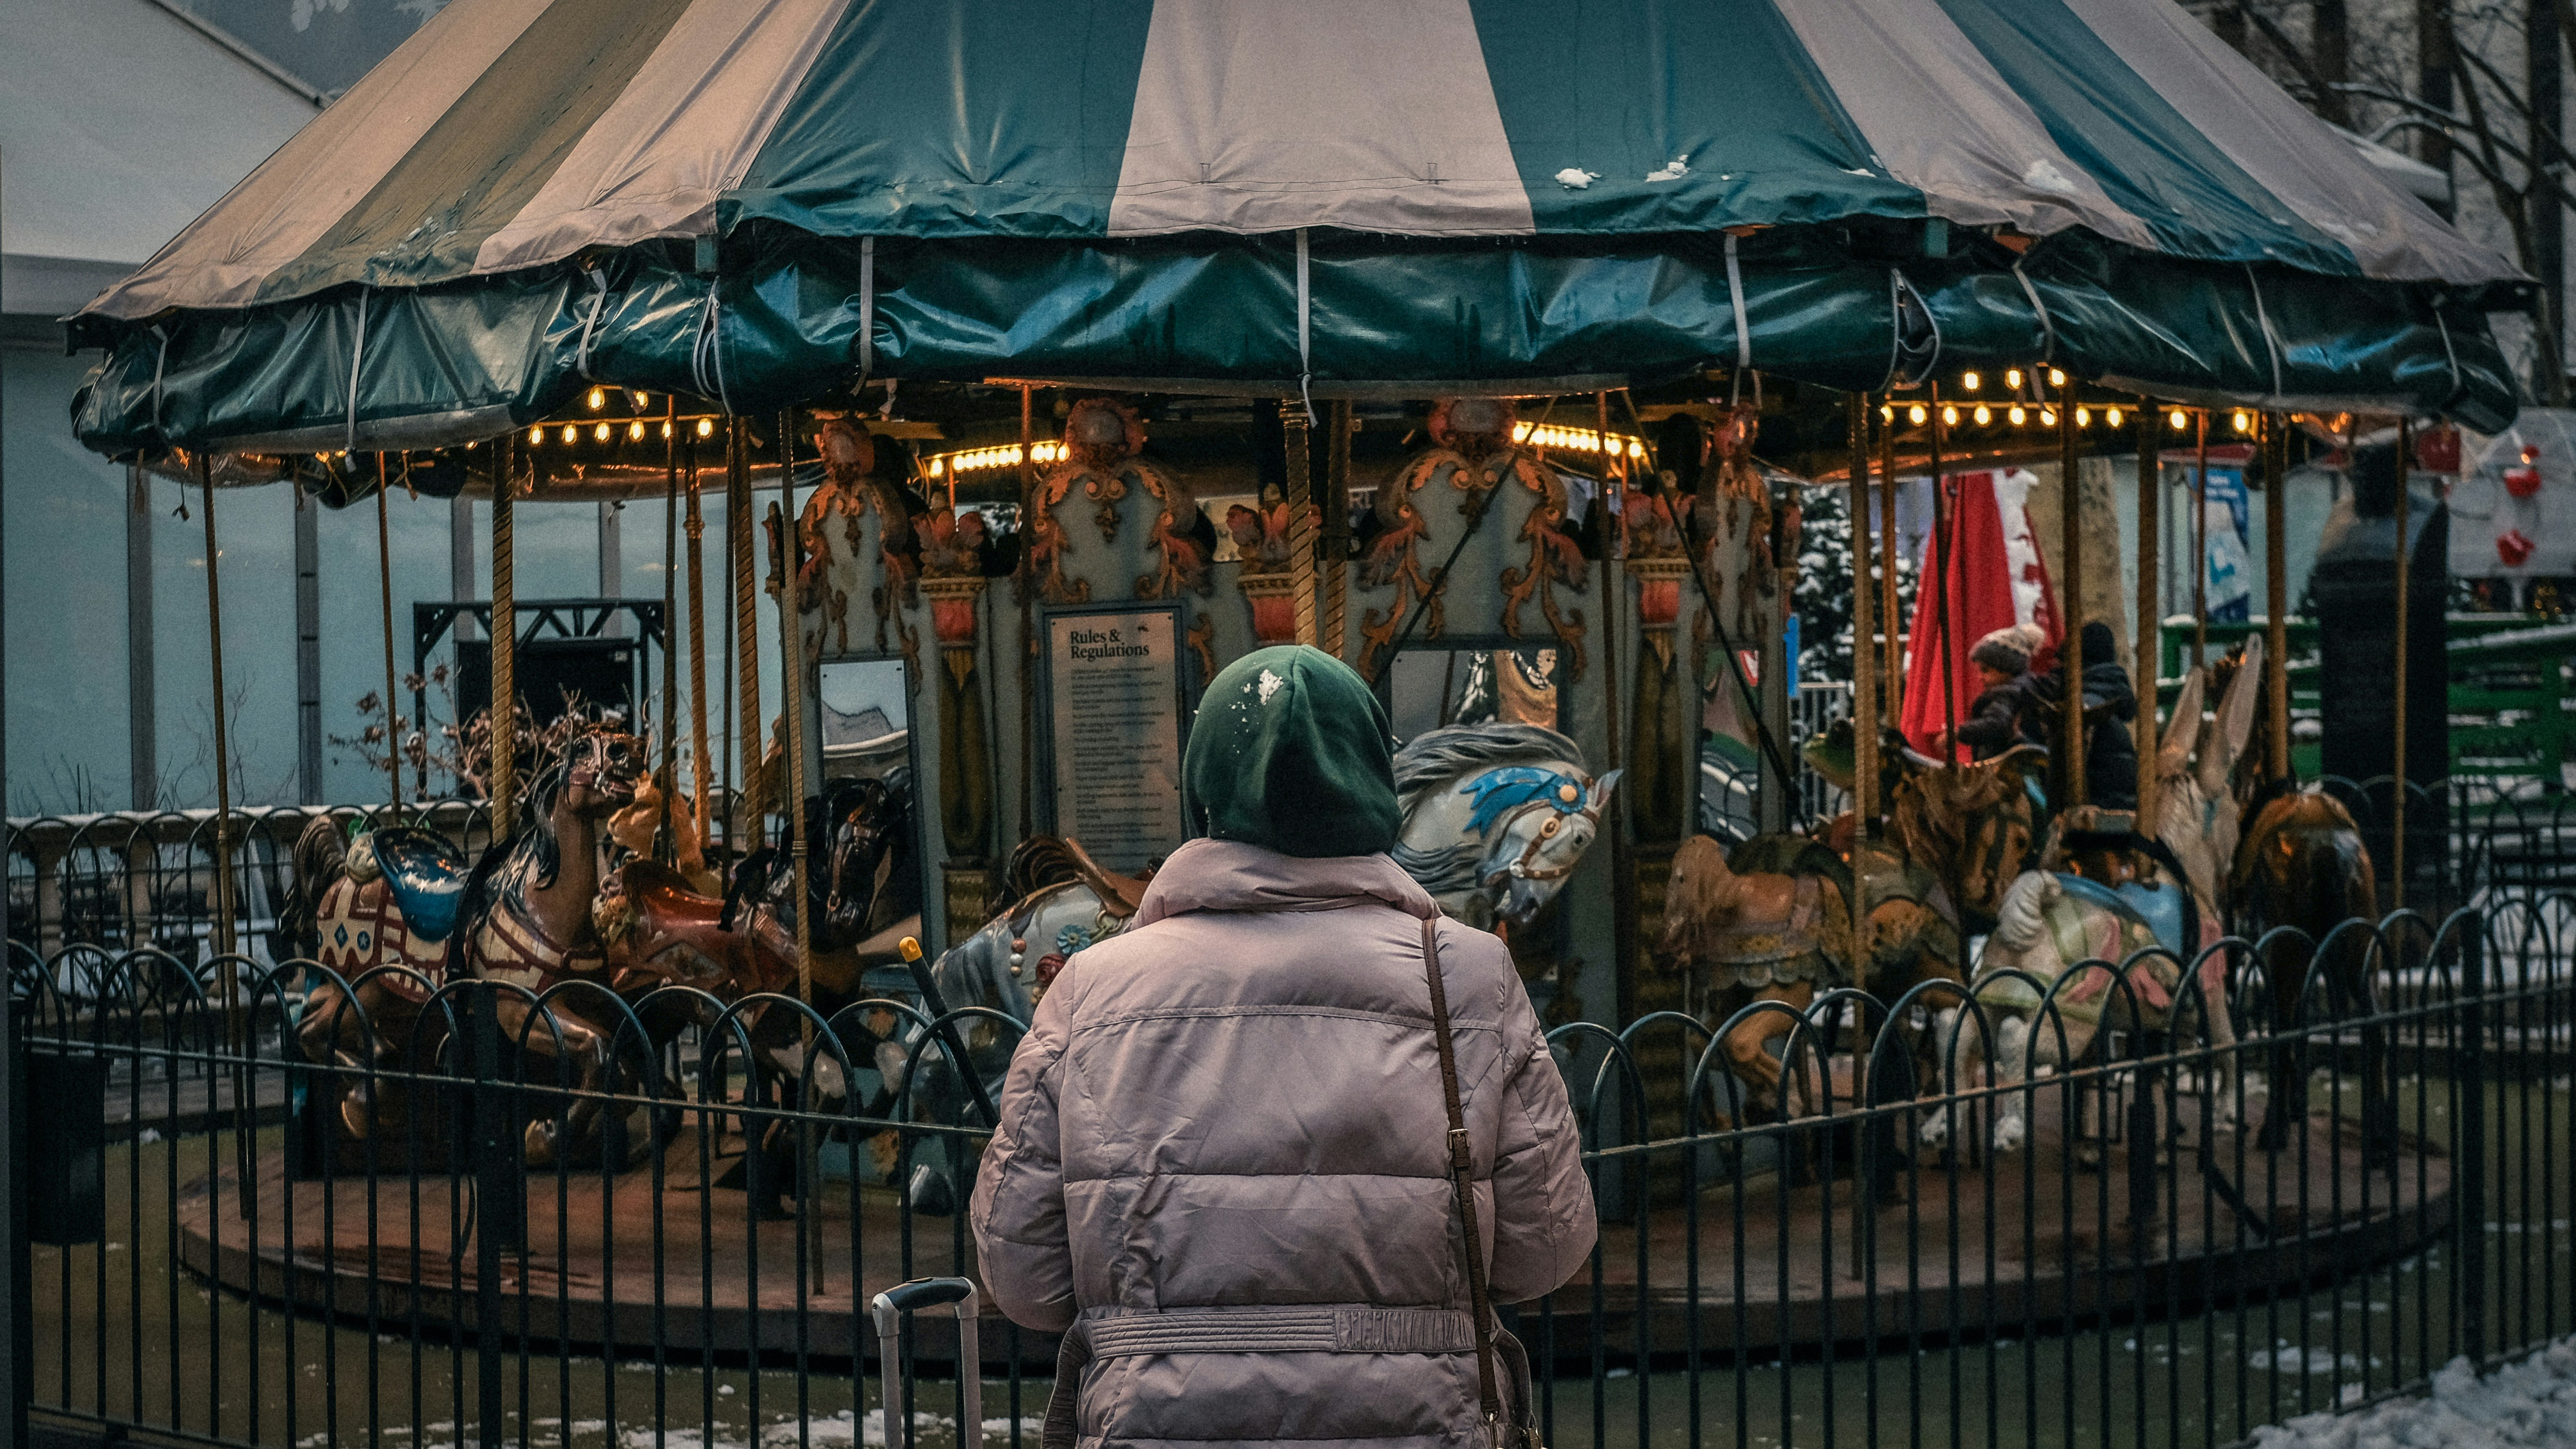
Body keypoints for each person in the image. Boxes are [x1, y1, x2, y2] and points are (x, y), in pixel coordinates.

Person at [972, 645, 1596, 1449]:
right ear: (1374, 783)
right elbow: (1544, 1249)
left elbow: (1022, 1278)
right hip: (1416, 1422)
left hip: (1158, 1423)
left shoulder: (1090, 990)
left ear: (1204, 789)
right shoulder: (1468, 977)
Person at [2032, 619, 2140, 809]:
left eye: (2061, 664)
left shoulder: (2085, 707)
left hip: (2094, 806)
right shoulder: (2108, 703)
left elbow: (2062, 774)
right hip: (2119, 804)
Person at [1946, 622, 2049, 760]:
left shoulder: (2008, 693)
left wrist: (1959, 734)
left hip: (2009, 768)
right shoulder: (2029, 686)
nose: (1980, 677)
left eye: (1985, 670)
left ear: (2006, 667)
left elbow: (1996, 724)